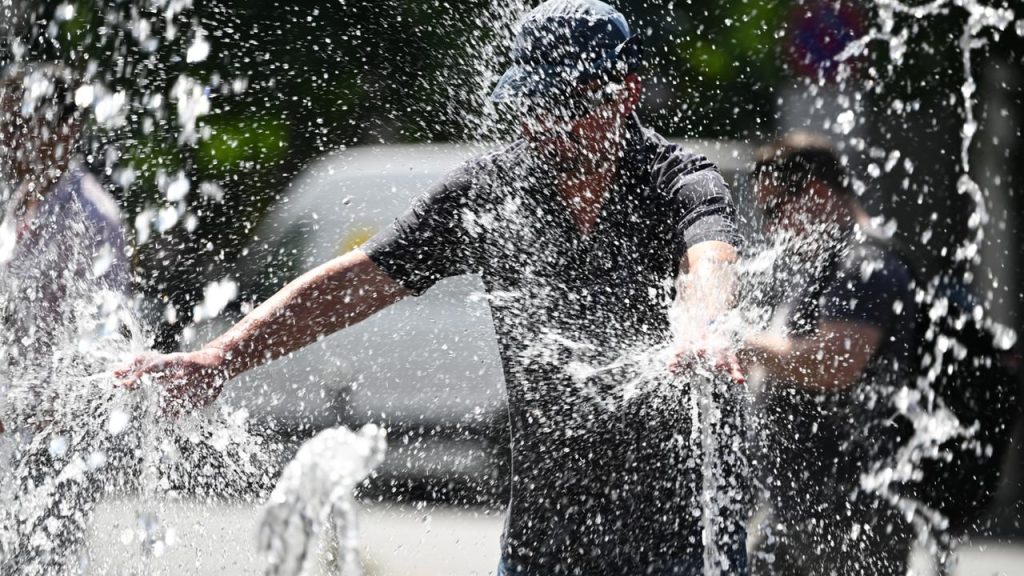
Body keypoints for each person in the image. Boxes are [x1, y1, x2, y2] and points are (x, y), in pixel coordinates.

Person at [119, 1, 747, 574]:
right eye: (534, 106)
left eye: (566, 107)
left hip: (680, 535)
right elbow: (360, 279)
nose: (545, 127)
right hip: (545, 539)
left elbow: (710, 258)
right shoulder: (492, 191)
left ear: (623, 92)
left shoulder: (678, 181)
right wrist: (221, 357)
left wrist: (703, 329)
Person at [739, 131, 918, 576]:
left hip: (848, 514)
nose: (769, 225)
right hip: (804, 506)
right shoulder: (834, 259)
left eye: (774, 208)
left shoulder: (864, 263)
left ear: (817, 192)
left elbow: (834, 364)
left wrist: (743, 343)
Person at [0, 62, 131, 572]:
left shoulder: (93, 217)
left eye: (19, 124)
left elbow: (105, 334)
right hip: (12, 416)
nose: (7, 139)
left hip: (53, 430)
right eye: (5, 123)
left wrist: (39, 402)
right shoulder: (16, 203)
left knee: (42, 558)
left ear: (64, 131)